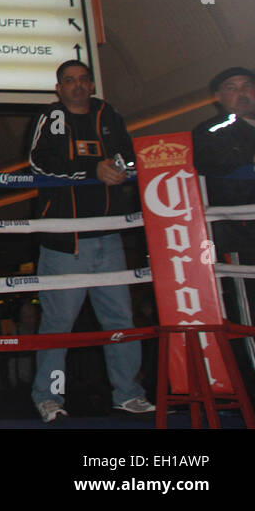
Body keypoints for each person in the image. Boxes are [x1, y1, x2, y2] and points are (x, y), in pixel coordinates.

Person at [27, 59, 154, 422]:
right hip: (66, 239)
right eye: (69, 81)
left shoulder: (109, 114)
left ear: (92, 84)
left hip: (109, 232)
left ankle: (128, 393)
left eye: (83, 80)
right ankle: (48, 397)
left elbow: (128, 154)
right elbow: (38, 162)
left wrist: (123, 168)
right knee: (58, 324)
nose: (78, 86)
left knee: (120, 319)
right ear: (59, 88)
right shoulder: (49, 117)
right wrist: (92, 168)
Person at [191, 66, 255, 388]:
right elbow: (210, 161)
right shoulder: (211, 131)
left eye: (247, 85)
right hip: (241, 236)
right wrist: (254, 158)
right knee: (251, 318)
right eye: (232, 87)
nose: (243, 92)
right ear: (219, 97)